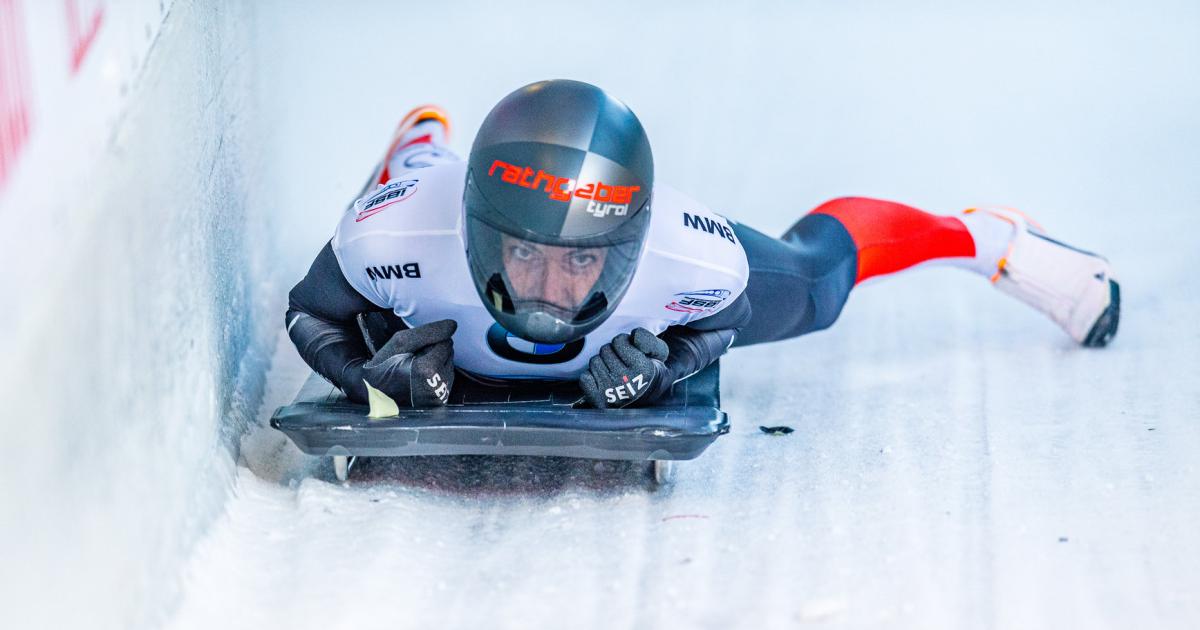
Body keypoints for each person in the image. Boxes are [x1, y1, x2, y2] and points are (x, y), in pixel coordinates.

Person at [286, 80, 1119, 410]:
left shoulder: (695, 261)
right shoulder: (392, 230)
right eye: (524, 254)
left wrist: (670, 361)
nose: (547, 289)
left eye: (580, 261)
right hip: (425, 191)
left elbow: (725, 319)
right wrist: (370, 381)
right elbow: (311, 310)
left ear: (629, 249)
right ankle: (420, 148)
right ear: (474, 231)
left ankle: (985, 236)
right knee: (413, 179)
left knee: (816, 287)